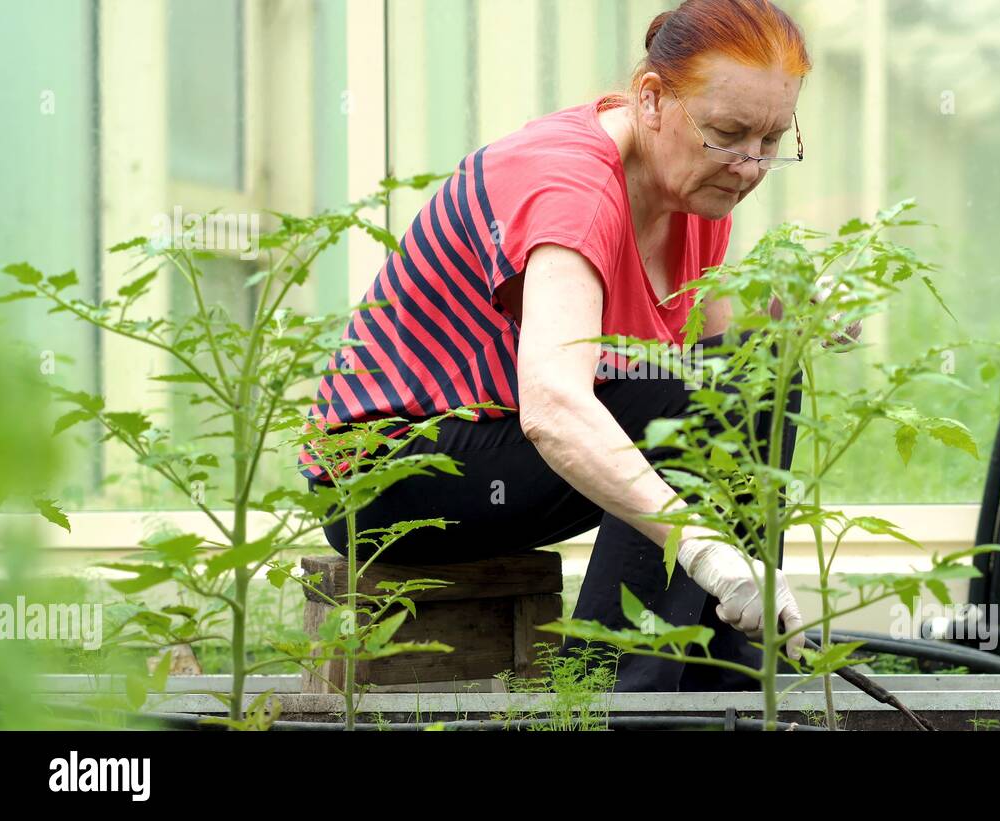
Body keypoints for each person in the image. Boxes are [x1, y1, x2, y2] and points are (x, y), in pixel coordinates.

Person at [300, 0, 855, 691]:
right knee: (698, 392)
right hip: (383, 478)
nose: (749, 167)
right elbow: (555, 404)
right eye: (728, 134)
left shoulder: (695, 190)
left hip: (493, 454)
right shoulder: (572, 184)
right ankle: (609, 696)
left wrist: (789, 317)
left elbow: (716, 369)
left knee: (753, 370)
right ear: (652, 98)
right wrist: (705, 550)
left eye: (771, 141)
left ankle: (727, 680)